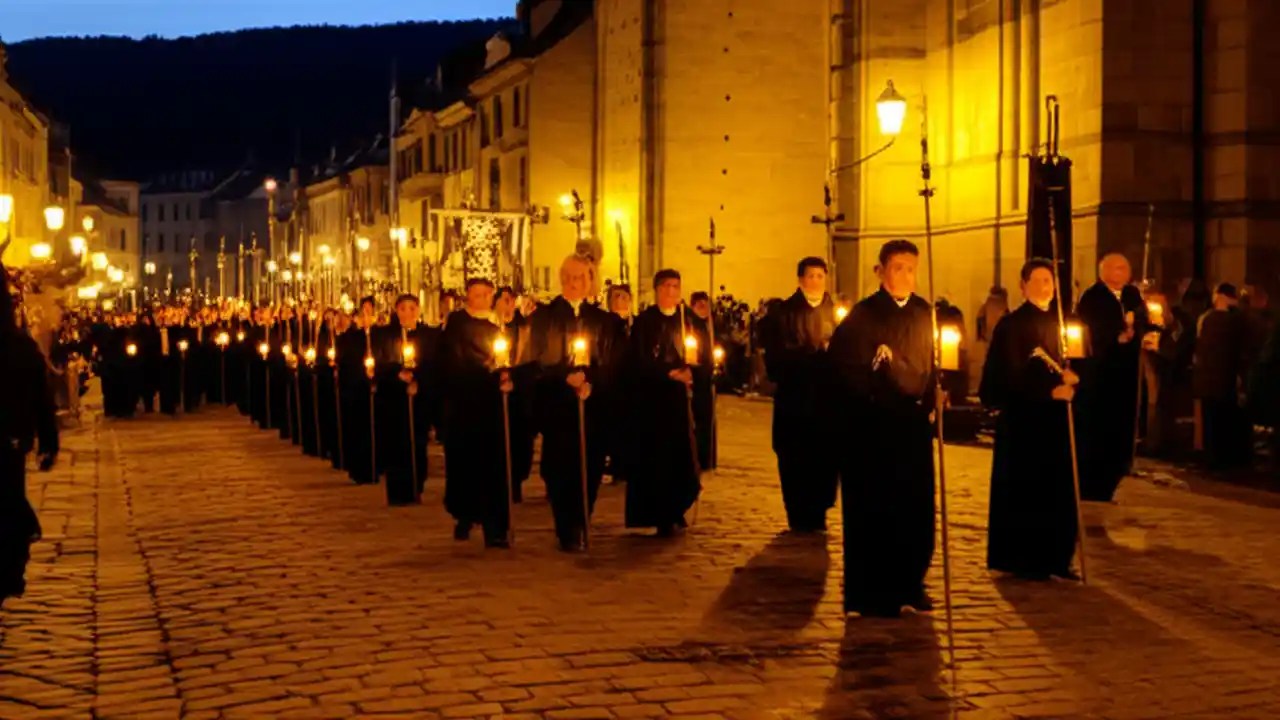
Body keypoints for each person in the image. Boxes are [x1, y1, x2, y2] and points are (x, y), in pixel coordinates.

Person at [829, 239, 935, 617]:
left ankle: (910, 584)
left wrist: (937, 392)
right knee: (873, 510)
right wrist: (875, 391)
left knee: (914, 509)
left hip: (912, 427)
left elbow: (935, 361)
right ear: (881, 272)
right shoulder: (863, 317)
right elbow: (843, 370)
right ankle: (867, 593)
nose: (906, 275)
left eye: (911, 268)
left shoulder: (925, 313)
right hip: (872, 430)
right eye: (898, 268)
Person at [980, 259, 1080, 580]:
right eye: (1036, 281)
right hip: (1025, 422)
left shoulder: (1063, 321)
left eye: (1048, 280)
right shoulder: (1012, 325)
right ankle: (1023, 558)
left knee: (1058, 490)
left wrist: (1075, 377)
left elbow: (1078, 361)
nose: (1043, 287)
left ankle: (1056, 556)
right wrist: (1048, 391)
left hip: (1056, 423)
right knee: (1026, 489)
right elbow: (1007, 373)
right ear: (1023, 286)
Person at [525, 255, 622, 552]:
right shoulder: (544, 318)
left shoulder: (605, 321)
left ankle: (582, 519)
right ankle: (565, 525)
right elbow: (535, 359)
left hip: (593, 406)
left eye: (580, 277)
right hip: (559, 408)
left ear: (590, 280)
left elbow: (615, 362)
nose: (573, 283)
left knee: (590, 466)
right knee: (559, 468)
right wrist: (564, 378)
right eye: (568, 277)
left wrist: (591, 381)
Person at [623, 270, 703, 536]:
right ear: (657, 290)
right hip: (653, 400)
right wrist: (668, 373)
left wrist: (693, 370)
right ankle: (659, 513)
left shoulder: (686, 319)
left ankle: (677, 506)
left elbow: (702, 351)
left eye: (676, 286)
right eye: (667, 286)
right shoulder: (645, 322)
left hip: (679, 400)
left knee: (681, 457)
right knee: (657, 459)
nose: (672, 291)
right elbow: (637, 360)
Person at [763, 257, 840, 533]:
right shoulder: (784, 314)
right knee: (795, 458)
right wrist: (810, 355)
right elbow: (775, 356)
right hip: (794, 401)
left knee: (825, 459)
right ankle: (796, 511)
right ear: (800, 280)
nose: (816, 281)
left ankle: (819, 509)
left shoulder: (838, 313)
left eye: (821, 276)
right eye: (811, 276)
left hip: (827, 403)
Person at [1, 262, 59, 607]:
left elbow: (39, 395)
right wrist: (47, 441)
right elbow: (41, 397)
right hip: (9, 447)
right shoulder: (20, 346)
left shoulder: (19, 347)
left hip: (8, 448)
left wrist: (47, 437)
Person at [440, 278, 513, 547]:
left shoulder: (498, 326)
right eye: (476, 294)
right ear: (467, 296)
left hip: (491, 405)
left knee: (493, 464)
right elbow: (452, 361)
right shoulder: (458, 324)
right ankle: (465, 514)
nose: (481, 299)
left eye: (486, 294)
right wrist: (482, 370)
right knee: (465, 464)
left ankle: (495, 525)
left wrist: (505, 372)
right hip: (465, 404)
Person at [1074, 253, 1148, 501]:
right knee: (1099, 430)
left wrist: (1143, 328)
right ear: (1103, 272)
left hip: (1126, 374)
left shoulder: (1132, 296)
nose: (1122, 273)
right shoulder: (1093, 298)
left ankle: (1116, 474)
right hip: (1101, 375)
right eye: (1116, 268)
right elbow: (1087, 331)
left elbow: (1145, 320)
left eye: (1125, 268)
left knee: (1122, 429)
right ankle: (1093, 484)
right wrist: (1114, 338)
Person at [375, 294, 440, 505]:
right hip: (394, 400)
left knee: (417, 443)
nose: (408, 313)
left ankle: (416, 485)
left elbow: (432, 364)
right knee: (396, 445)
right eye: (403, 309)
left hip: (418, 398)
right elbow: (380, 363)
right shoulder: (387, 336)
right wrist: (397, 375)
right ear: (397, 311)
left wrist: (417, 380)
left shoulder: (428, 336)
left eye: (412, 308)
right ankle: (397, 490)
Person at [1193, 283, 1250, 470]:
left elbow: (1199, 347)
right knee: (1225, 419)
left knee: (1210, 420)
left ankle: (1212, 459)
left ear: (1219, 296)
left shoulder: (1206, 319)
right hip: (1226, 378)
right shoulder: (1238, 321)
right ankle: (1225, 460)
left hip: (1207, 378)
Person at [338, 299, 379, 485]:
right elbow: (345, 361)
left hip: (375, 390)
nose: (367, 317)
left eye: (370, 312)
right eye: (363, 313)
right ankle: (360, 469)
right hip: (356, 389)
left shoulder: (379, 336)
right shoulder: (351, 337)